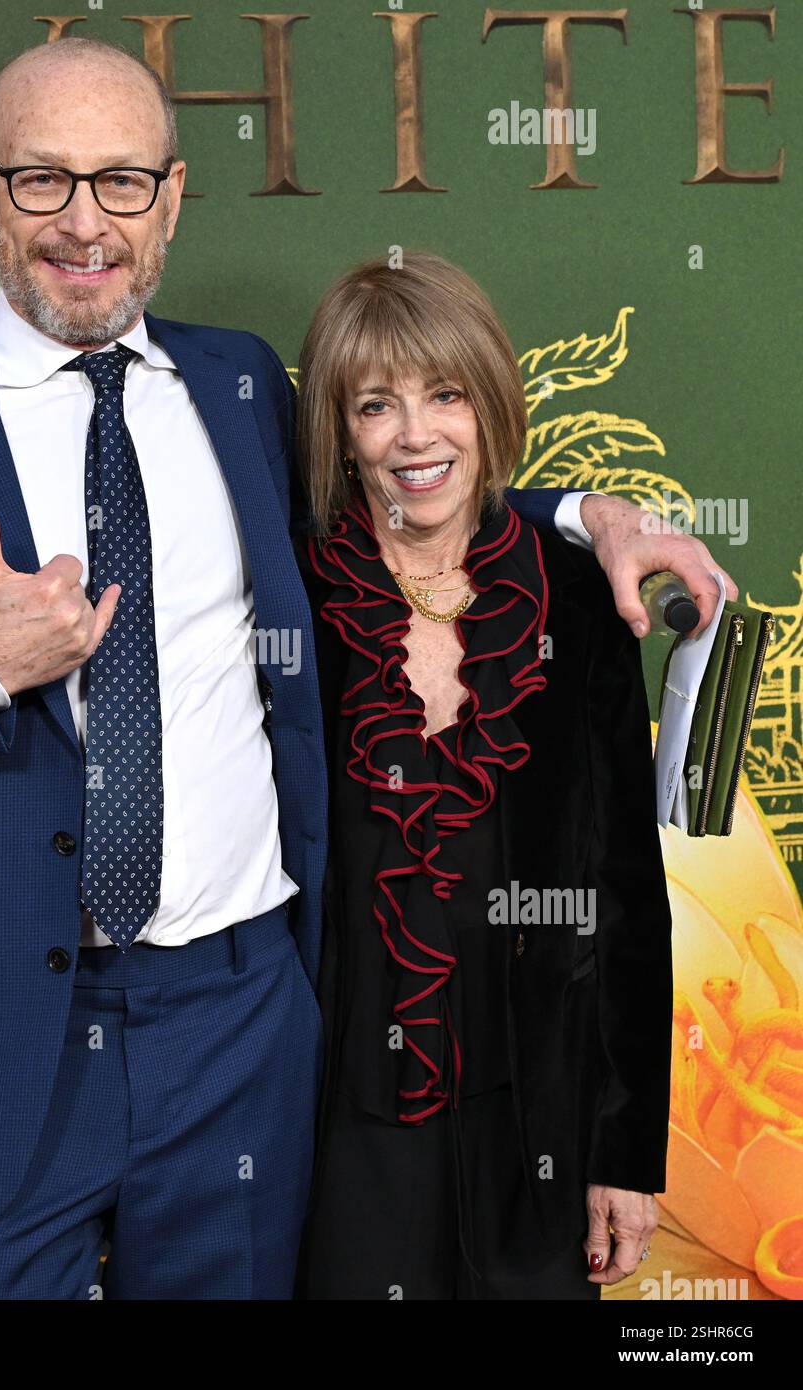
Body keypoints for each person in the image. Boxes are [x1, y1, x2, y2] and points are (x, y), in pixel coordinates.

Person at [0, 36, 729, 1300]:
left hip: (238, 1024)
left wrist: (585, 514)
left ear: (172, 198)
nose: (85, 222)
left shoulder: (239, 387)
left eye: (122, 182)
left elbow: (410, 491)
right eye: (43, 181)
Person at [293, 251, 674, 1300]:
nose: (416, 435)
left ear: (489, 400)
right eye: (376, 404)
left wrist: (621, 1146)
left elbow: (623, 891)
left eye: (445, 394)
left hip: (535, 1122)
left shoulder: (576, 594)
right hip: (339, 1119)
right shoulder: (287, 595)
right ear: (340, 427)